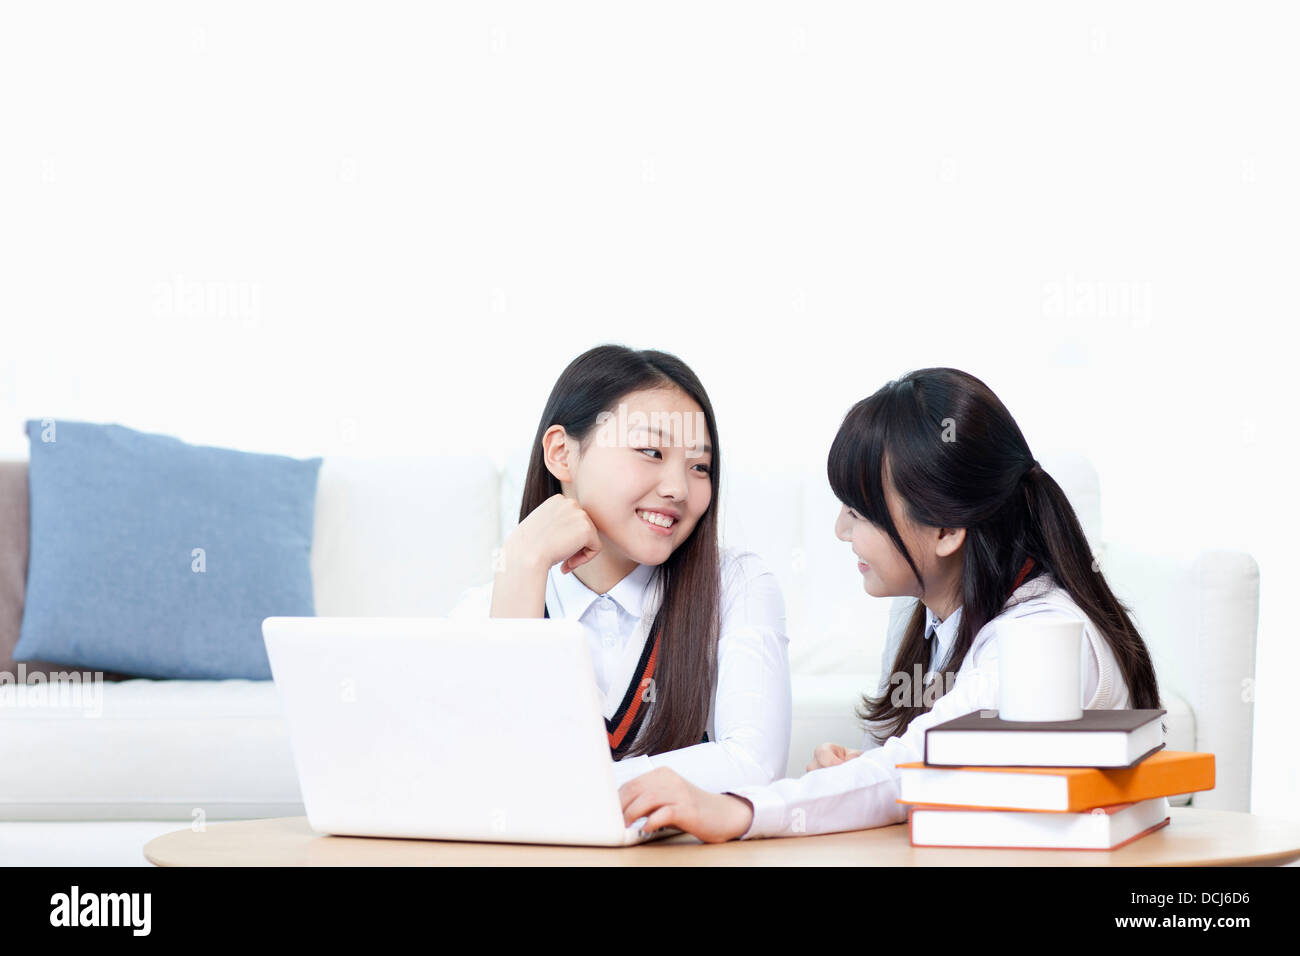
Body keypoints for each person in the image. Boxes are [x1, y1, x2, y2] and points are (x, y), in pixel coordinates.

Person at [617, 366, 1163, 841]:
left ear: (947, 528)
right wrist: (860, 774)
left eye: (858, 512)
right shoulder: (921, 612)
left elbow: (917, 764)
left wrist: (738, 809)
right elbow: (923, 768)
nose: (839, 530)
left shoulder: (1043, 635)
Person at [450, 344, 791, 791]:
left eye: (700, 466)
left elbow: (754, 764)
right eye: (651, 452)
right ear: (562, 454)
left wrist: (560, 787)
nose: (678, 488)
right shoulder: (485, 611)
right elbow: (482, 781)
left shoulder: (735, 586)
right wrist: (522, 569)